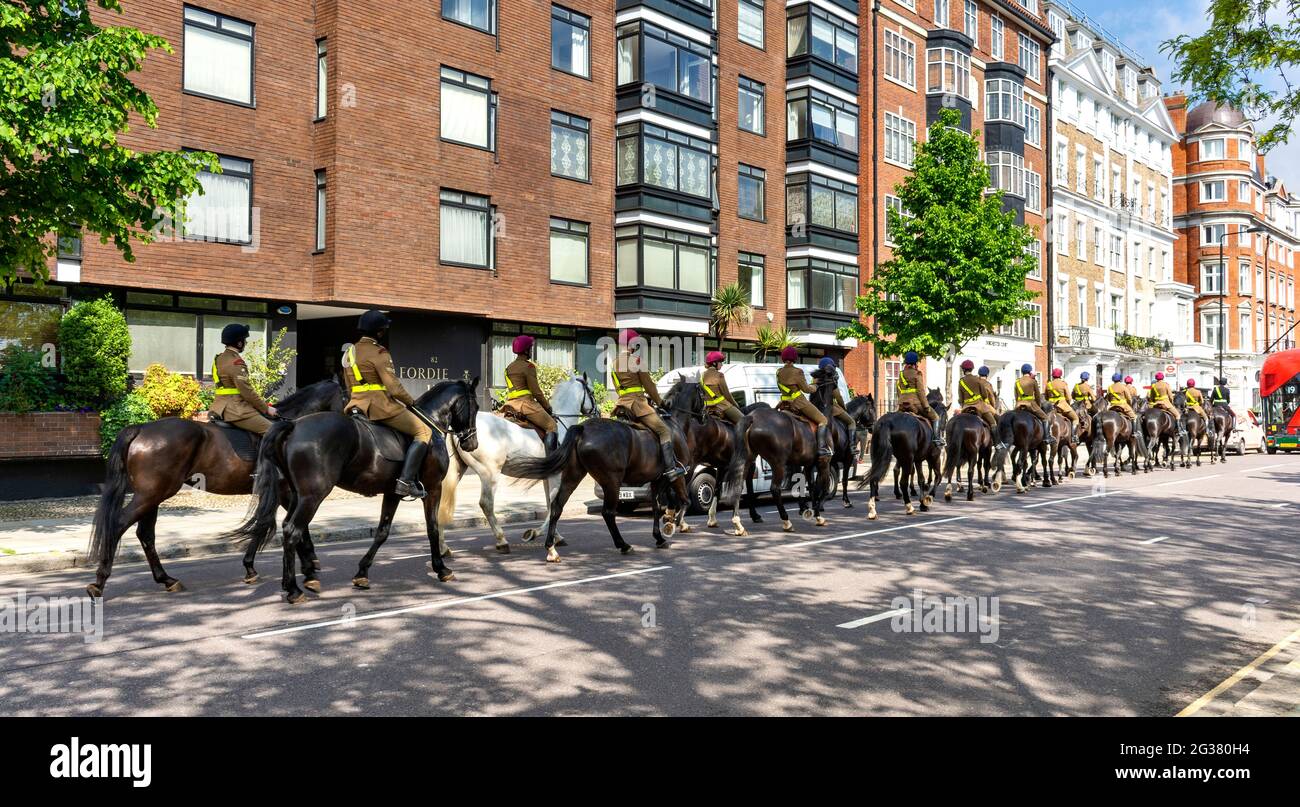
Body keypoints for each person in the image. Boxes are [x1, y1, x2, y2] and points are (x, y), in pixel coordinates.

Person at [345, 310, 433, 499]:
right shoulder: (379, 352)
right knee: (423, 432)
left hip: (355, 405)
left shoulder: (349, 352)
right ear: (379, 332)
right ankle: (405, 482)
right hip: (380, 405)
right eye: (383, 329)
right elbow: (394, 388)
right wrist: (412, 402)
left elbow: (348, 384)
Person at [610, 329, 684, 481]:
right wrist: (660, 402)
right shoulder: (637, 361)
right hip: (638, 404)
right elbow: (650, 387)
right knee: (664, 431)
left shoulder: (614, 363)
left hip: (622, 405)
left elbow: (618, 387)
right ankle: (670, 469)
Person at [209, 323, 276, 435]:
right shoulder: (236, 362)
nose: (246, 343)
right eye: (245, 340)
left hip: (219, 407)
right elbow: (246, 391)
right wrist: (266, 408)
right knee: (274, 432)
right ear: (239, 343)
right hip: (236, 410)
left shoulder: (219, 358)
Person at [501, 334, 559, 450]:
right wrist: (548, 407)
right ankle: (551, 463)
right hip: (526, 405)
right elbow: (536, 392)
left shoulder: (508, 368)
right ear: (526, 350)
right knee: (552, 426)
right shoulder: (529, 367)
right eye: (531, 348)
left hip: (510, 405)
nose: (531, 351)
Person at [776, 346, 833, 457]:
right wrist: (815, 386)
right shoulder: (797, 372)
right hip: (799, 403)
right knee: (823, 420)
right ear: (794, 358)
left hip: (784, 404)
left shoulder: (779, 372)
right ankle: (821, 448)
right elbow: (806, 389)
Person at [895, 351, 943, 445]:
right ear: (915, 363)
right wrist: (926, 406)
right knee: (936, 417)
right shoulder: (917, 374)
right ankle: (936, 439)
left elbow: (898, 389)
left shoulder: (901, 374)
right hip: (915, 404)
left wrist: (901, 400)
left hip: (902, 405)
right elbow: (921, 392)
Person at [957, 359, 1002, 449]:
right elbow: (984, 394)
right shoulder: (977, 380)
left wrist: (963, 405)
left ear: (963, 369)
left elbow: (961, 398)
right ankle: (997, 444)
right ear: (972, 369)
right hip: (979, 406)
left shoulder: (961, 382)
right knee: (993, 423)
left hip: (966, 407)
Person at [701, 351, 743, 425]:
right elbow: (726, 394)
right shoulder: (719, 375)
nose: (722, 365)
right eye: (720, 362)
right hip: (722, 406)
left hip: (707, 408)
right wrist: (736, 405)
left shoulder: (702, 375)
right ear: (714, 363)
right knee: (744, 421)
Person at [817, 357, 857, 433]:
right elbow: (838, 397)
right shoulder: (830, 380)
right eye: (833, 367)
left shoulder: (815, 378)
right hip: (828, 407)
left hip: (816, 406)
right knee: (851, 422)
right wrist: (844, 407)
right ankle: (852, 444)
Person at [1013, 364, 1050, 445]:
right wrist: (1038, 405)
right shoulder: (1033, 381)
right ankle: (1047, 437)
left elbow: (1016, 396)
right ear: (1030, 372)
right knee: (1045, 418)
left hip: (1018, 405)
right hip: (1031, 405)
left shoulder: (1017, 382)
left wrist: (1018, 403)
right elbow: (1037, 395)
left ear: (1022, 372)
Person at [1045, 368, 1079, 446]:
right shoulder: (1063, 384)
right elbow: (1069, 397)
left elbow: (1046, 397)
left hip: (1051, 408)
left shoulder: (1048, 384)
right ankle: (1074, 436)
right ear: (1060, 375)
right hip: (1062, 406)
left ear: (1052, 375)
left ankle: (1046, 435)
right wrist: (1067, 404)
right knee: (1075, 418)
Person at [1148, 371, 1185, 437]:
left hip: (1156, 405)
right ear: (1163, 378)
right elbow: (1170, 396)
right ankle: (1179, 431)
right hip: (1166, 404)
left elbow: (1151, 398)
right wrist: (1171, 402)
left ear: (1156, 378)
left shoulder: (1153, 386)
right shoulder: (1166, 385)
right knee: (1177, 415)